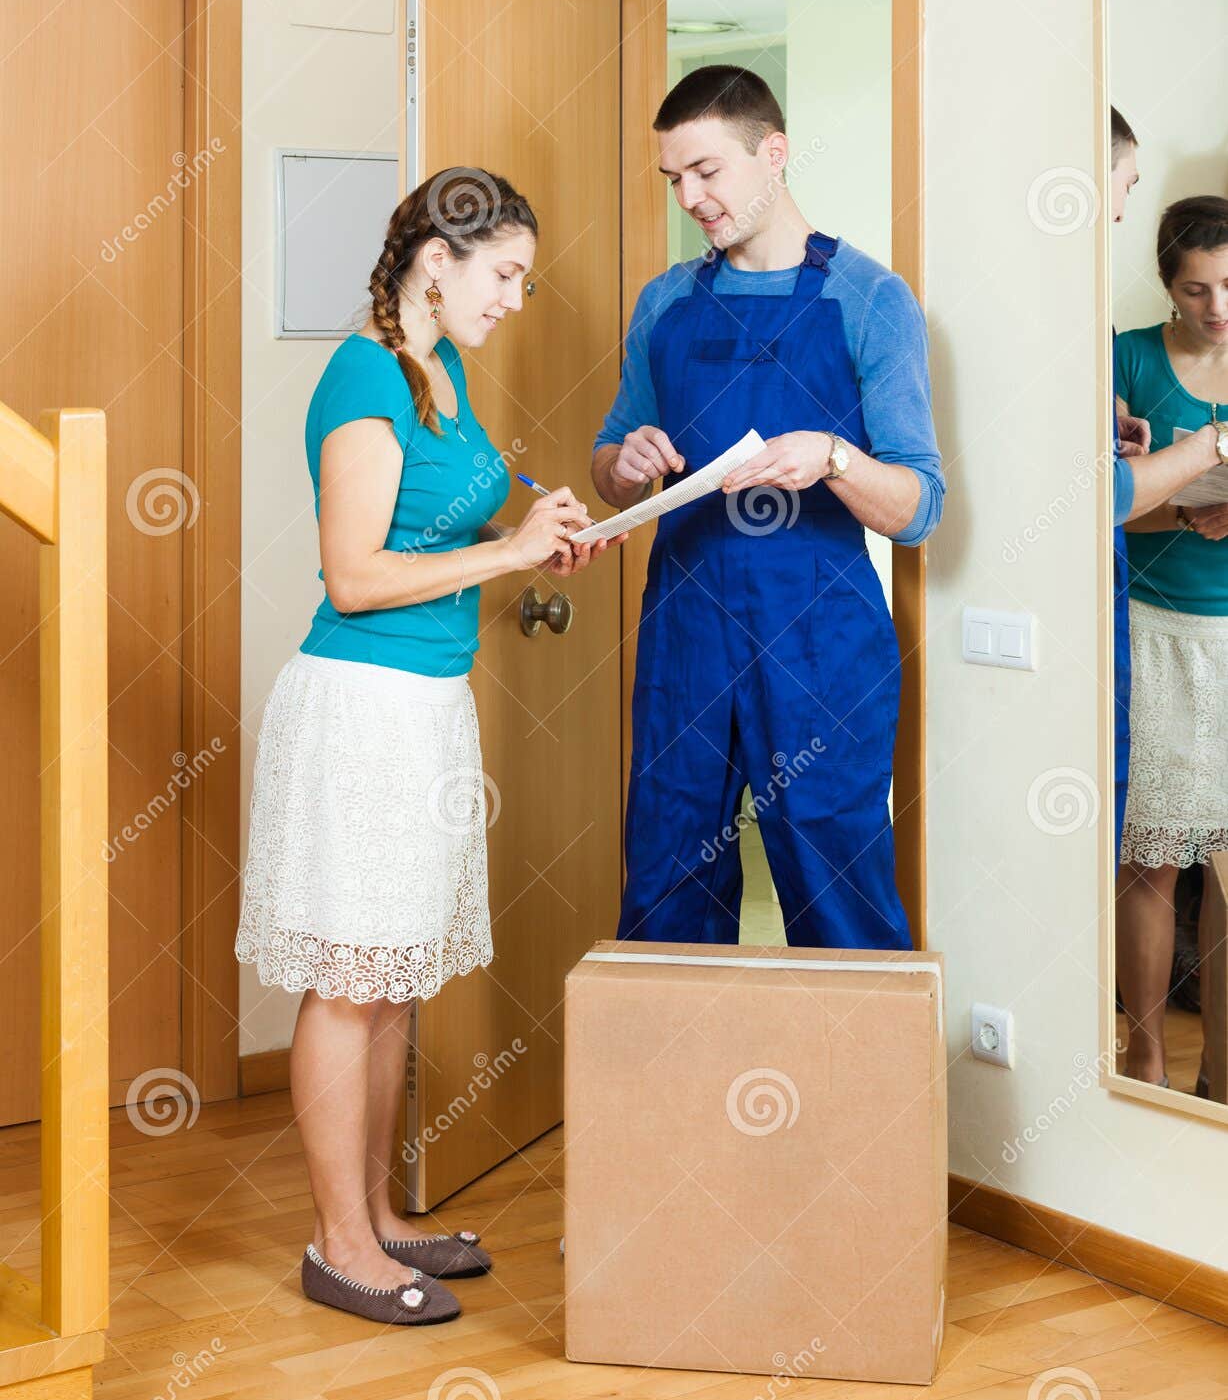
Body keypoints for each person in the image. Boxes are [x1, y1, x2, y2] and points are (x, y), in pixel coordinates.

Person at [235, 168, 618, 1325]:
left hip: (426, 706)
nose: (513, 298)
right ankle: (339, 1243)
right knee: (352, 983)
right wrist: (504, 559)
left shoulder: (437, 369)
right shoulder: (364, 378)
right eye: (503, 274)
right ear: (434, 262)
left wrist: (526, 533)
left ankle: (382, 1214)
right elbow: (355, 577)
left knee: (393, 980)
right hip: (358, 710)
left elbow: (429, 530)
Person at [592, 65, 944, 951]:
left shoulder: (869, 298)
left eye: (706, 171)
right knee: (667, 877)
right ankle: (674, 1094)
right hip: (685, 635)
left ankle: (860, 1093)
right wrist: (624, 460)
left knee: (838, 886)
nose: (690, 198)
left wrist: (834, 457)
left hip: (821, 643)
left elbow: (919, 506)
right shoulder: (666, 302)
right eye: (674, 179)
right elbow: (608, 465)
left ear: (773, 152)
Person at [1114, 195, 1228, 1089]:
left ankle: (1221, 1071)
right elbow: (1098, 511)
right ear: (1167, 285)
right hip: (1154, 634)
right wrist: (1191, 506)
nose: (1218, 308)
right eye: (1197, 289)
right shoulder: (1125, 360)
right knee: (1152, 861)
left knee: (1226, 871)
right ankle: (1144, 1053)